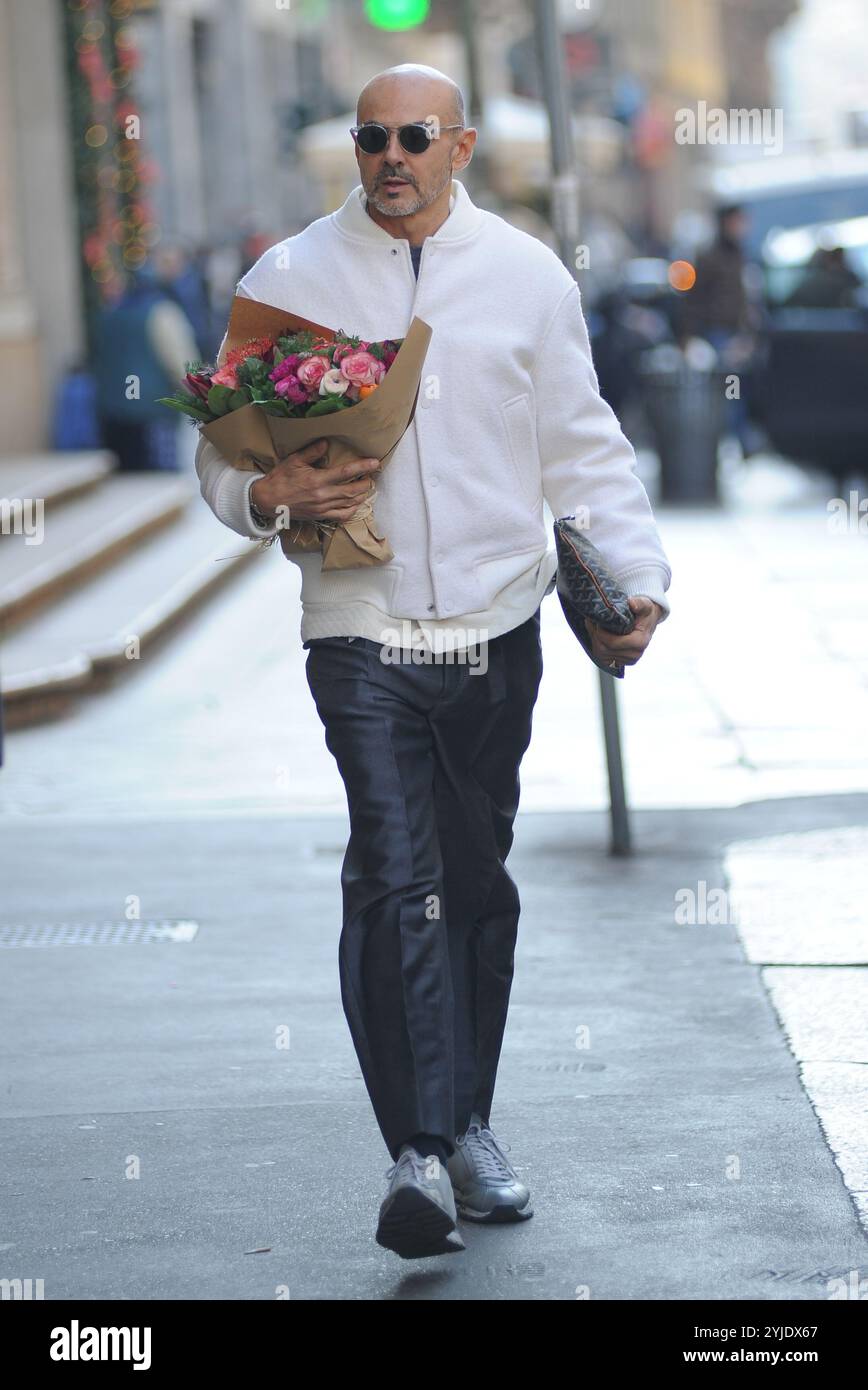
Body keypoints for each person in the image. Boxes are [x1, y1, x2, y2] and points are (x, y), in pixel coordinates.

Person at [195, 64, 672, 1260]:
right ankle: (412, 1150)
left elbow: (582, 443)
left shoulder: (525, 276)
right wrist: (267, 488)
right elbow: (213, 457)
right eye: (370, 138)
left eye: (414, 136)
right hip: (359, 631)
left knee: (473, 885)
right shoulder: (287, 279)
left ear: (459, 146)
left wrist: (638, 578)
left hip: (497, 631)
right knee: (393, 875)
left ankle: (467, 1127)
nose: (389, 156)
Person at [92, 263, 199, 472]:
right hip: (152, 412)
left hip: (112, 411)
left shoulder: (109, 313)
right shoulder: (161, 312)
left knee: (124, 480)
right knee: (155, 480)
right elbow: (181, 362)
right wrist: (201, 398)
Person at [679, 203, 763, 455]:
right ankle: (731, 443)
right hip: (717, 335)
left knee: (736, 391)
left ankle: (739, 441)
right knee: (727, 392)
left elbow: (747, 300)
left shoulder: (741, 255)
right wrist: (687, 336)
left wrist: (748, 334)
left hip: (736, 336)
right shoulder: (710, 257)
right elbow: (693, 301)